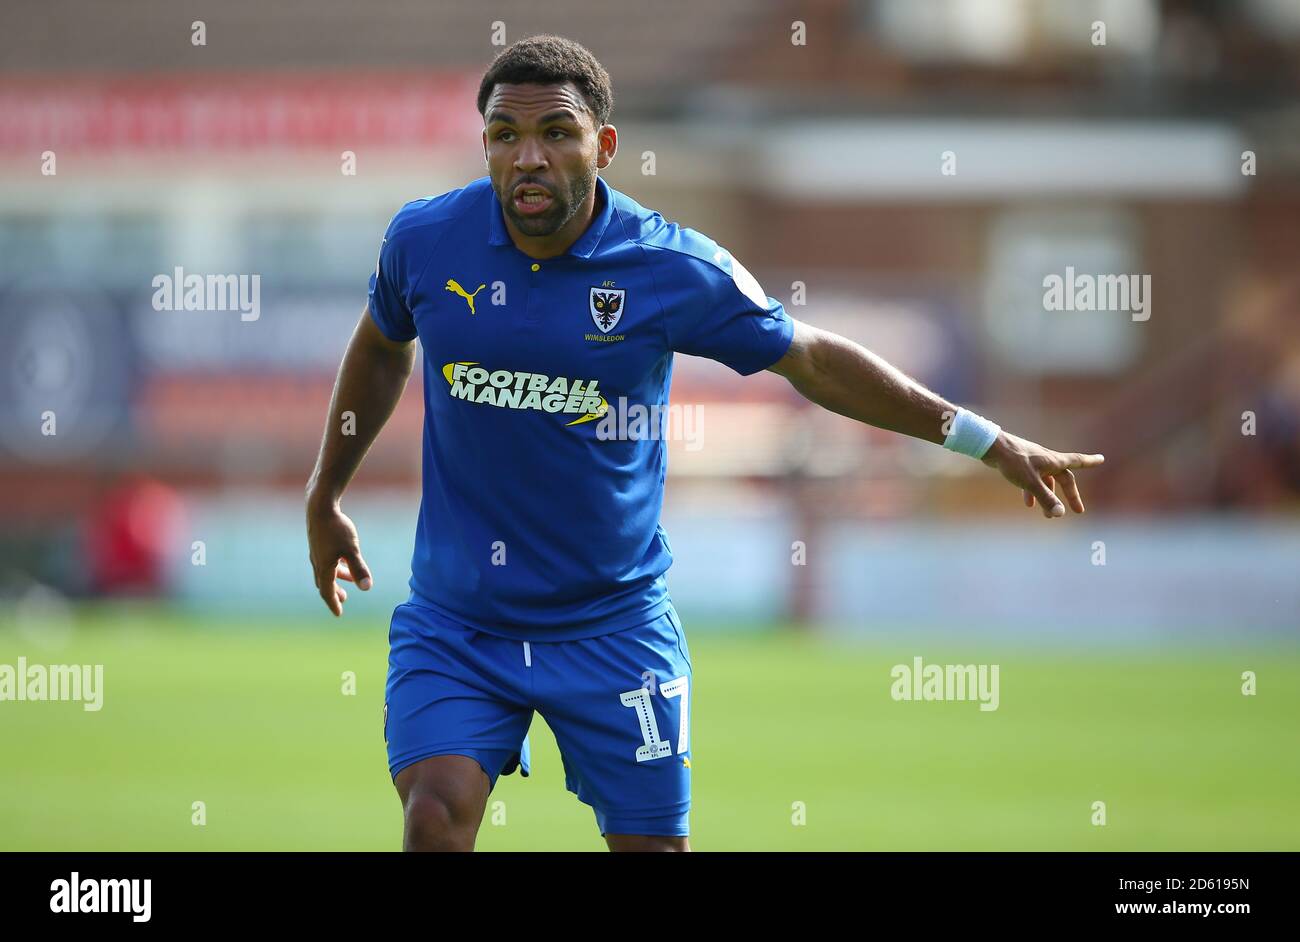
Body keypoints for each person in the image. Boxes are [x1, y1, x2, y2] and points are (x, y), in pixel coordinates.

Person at [305, 34, 1104, 852]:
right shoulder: (425, 241)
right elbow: (380, 344)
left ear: (603, 146)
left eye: (557, 133)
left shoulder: (669, 268)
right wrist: (325, 493)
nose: (529, 158)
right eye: (505, 136)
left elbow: (814, 361)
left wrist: (983, 439)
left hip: (611, 623)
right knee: (433, 814)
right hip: (459, 620)